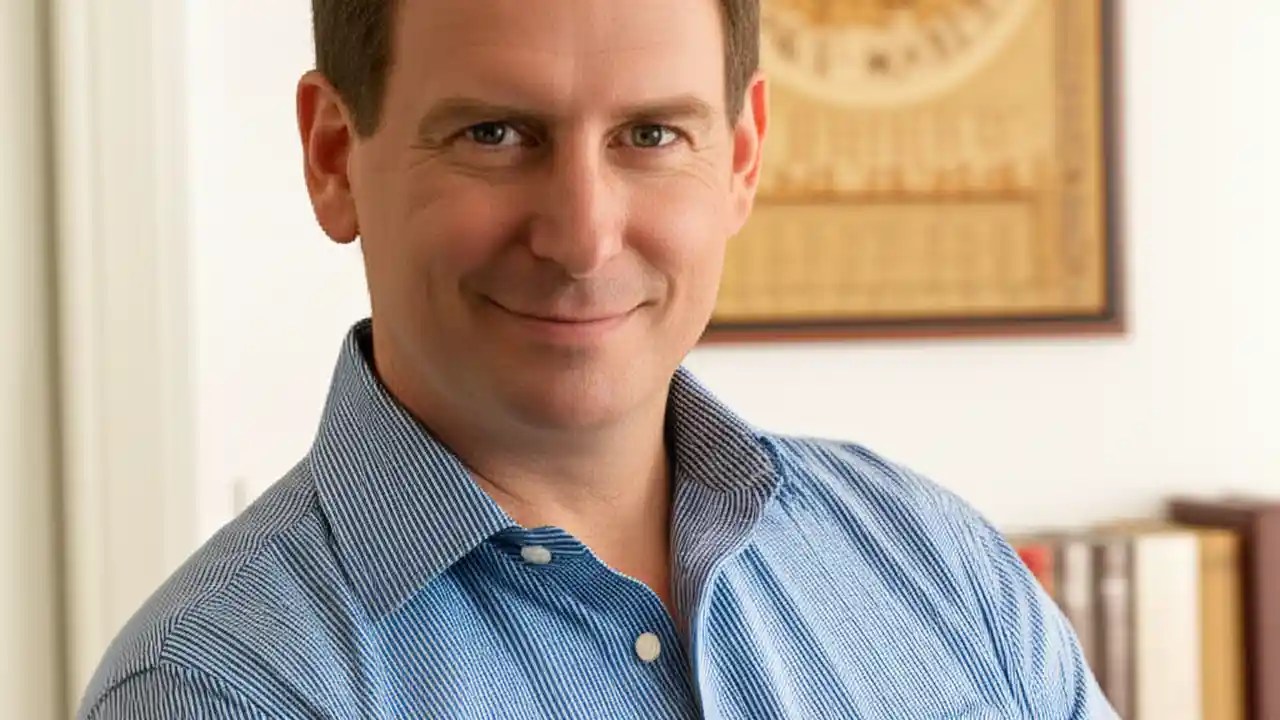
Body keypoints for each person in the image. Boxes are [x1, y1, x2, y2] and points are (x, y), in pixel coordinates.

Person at [78, 0, 1116, 717]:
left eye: (650, 136)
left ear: (741, 158)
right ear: (332, 157)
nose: (581, 236)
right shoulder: (216, 690)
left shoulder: (936, 560)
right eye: (493, 133)